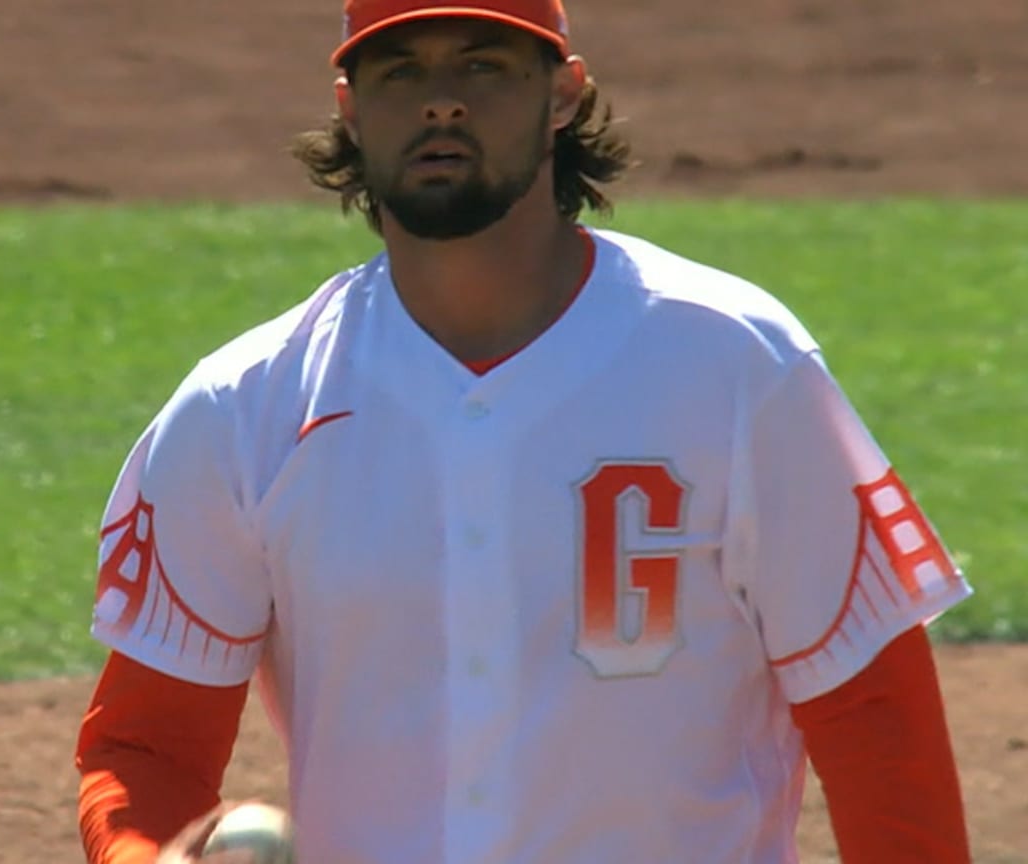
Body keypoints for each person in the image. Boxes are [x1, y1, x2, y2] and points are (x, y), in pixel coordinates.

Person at [74, 1, 975, 862]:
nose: (440, 99)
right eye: (399, 68)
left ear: (564, 94)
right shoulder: (246, 406)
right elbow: (147, 745)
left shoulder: (734, 365)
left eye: (484, 64)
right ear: (349, 111)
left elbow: (873, 712)